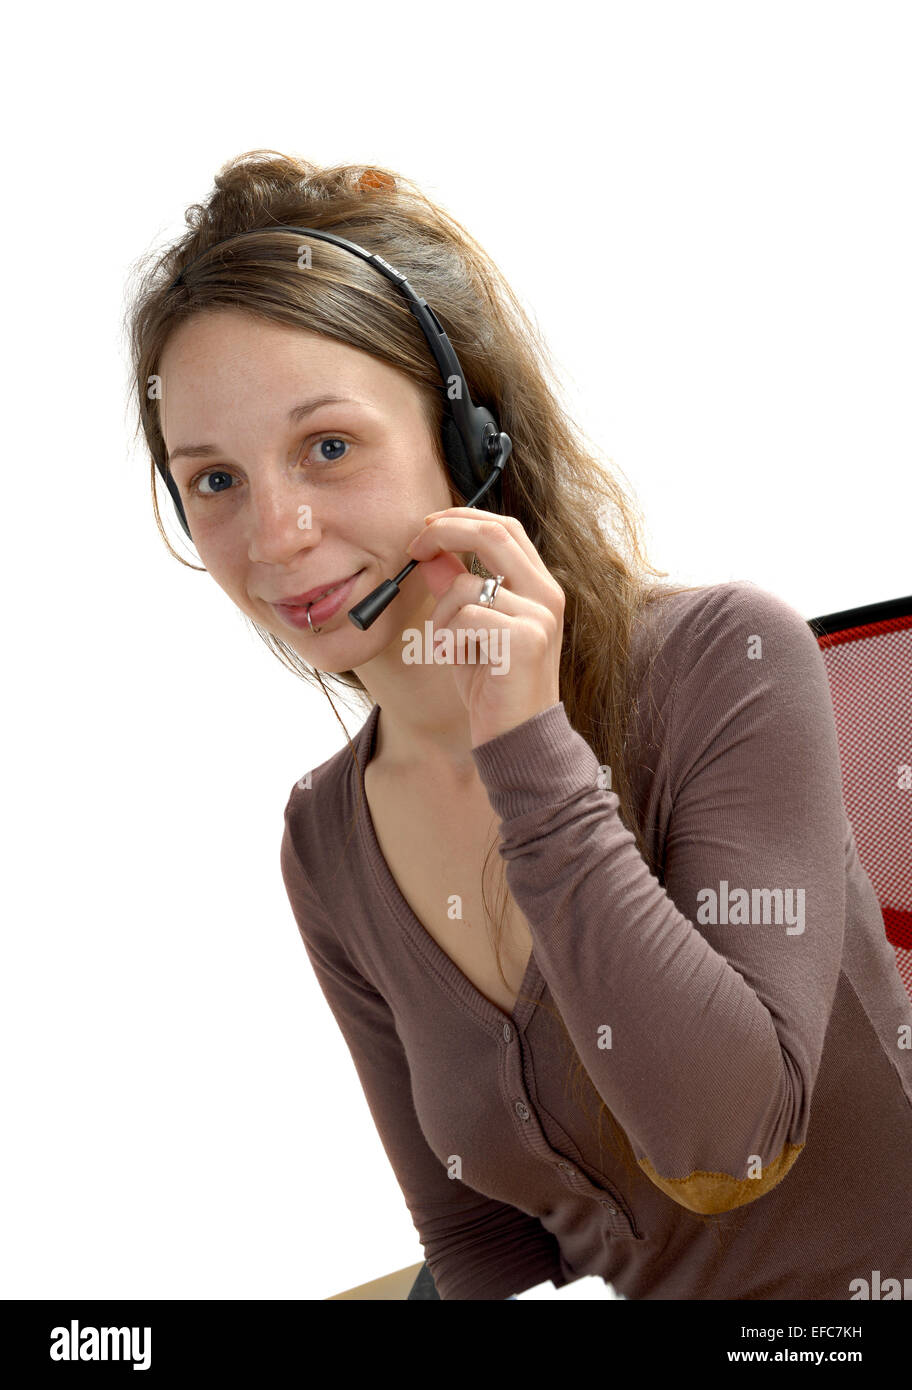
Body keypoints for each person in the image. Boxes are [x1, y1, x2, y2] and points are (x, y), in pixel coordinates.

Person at [126, 149, 912, 1301]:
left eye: (329, 447)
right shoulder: (326, 838)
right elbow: (483, 1249)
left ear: (471, 434)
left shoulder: (725, 663)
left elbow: (725, 1148)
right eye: (214, 481)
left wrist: (528, 747)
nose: (274, 534)